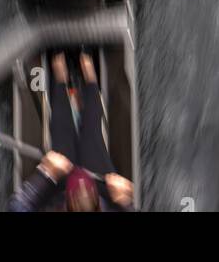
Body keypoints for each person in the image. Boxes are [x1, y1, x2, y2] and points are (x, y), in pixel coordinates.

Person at [8, 51, 134, 212]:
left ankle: (60, 81)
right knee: (92, 134)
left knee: (62, 133)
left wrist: (47, 173)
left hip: (61, 192)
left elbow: (17, 208)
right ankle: (91, 81)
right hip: (99, 192)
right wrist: (125, 201)